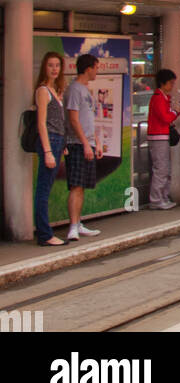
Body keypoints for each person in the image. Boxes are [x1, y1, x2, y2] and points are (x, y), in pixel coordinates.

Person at [63, 53, 103, 242]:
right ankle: (73, 225)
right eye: (96, 67)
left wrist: (95, 141)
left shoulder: (86, 90)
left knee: (82, 186)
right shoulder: (75, 90)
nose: (97, 71)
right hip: (77, 144)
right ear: (88, 68)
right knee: (76, 185)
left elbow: (88, 119)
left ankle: (77, 222)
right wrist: (86, 143)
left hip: (87, 142)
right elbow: (73, 119)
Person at [33, 51, 67, 247]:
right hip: (50, 141)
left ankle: (45, 232)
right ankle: (45, 234)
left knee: (46, 187)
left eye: (57, 65)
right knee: (43, 189)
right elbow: (42, 123)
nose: (54, 69)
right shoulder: (43, 91)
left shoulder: (56, 90)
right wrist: (47, 151)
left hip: (57, 141)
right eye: (50, 65)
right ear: (44, 67)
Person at [147, 68, 180, 210]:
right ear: (163, 83)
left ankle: (162, 197)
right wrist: (177, 110)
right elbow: (165, 117)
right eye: (170, 83)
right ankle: (156, 199)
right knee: (161, 169)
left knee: (164, 168)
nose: (172, 86)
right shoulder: (158, 98)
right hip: (158, 136)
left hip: (161, 135)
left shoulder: (163, 98)